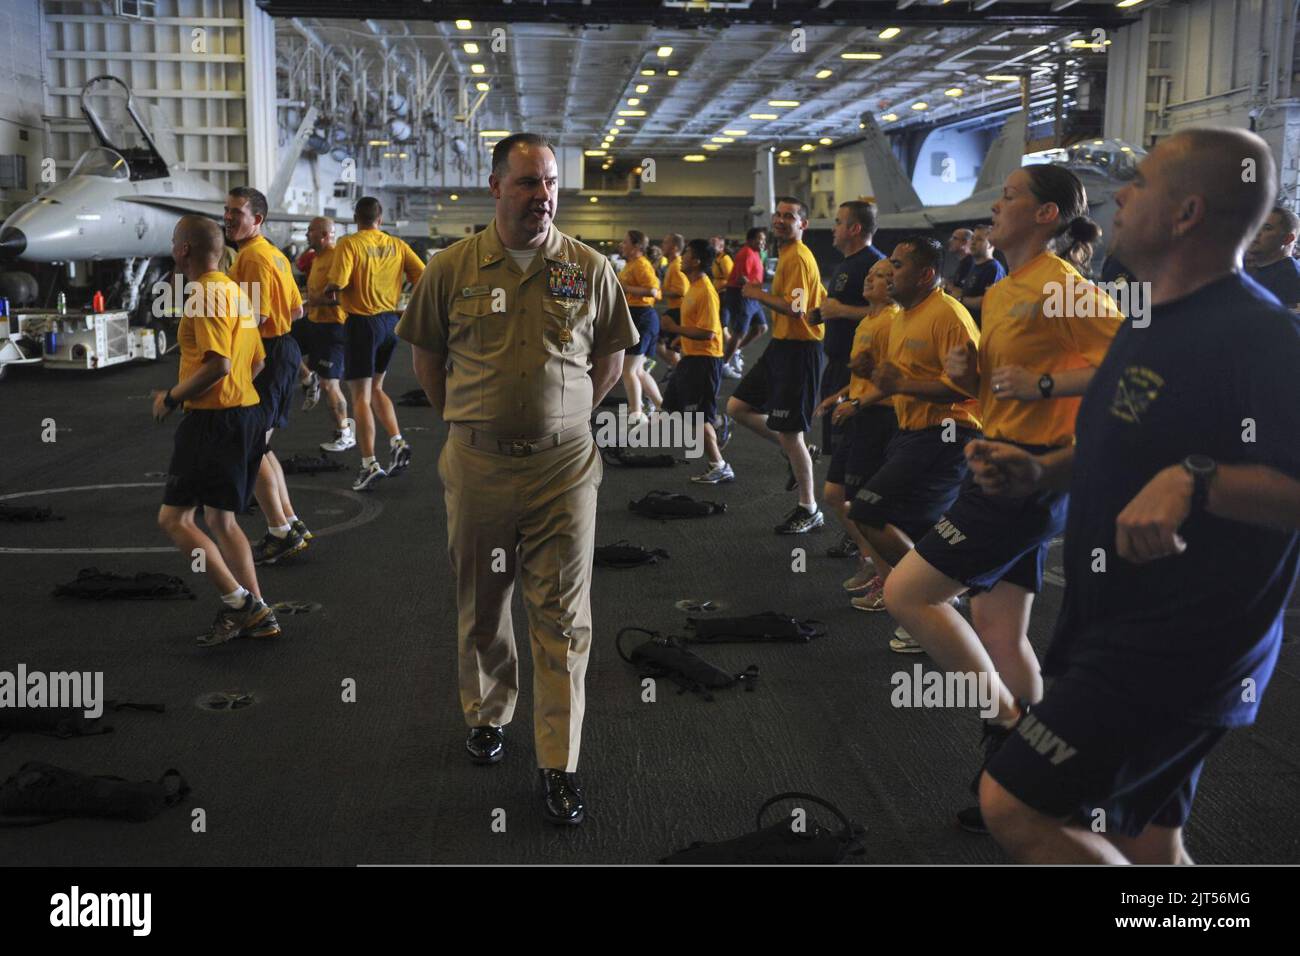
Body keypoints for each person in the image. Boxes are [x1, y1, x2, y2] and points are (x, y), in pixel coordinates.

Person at [974, 127, 1300, 864]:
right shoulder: (1148, 319)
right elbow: (1121, 438)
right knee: (1146, 839)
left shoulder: (1259, 336)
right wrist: (1044, 472)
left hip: (1181, 641)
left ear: (1185, 214)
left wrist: (1196, 478)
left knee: (1013, 805)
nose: (1119, 193)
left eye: (1141, 183)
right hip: (1114, 616)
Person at [396, 133, 637, 826]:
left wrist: (561, 423)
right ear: (496, 186)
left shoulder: (587, 268)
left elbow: (611, 364)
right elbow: (427, 361)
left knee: (564, 621)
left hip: (564, 468)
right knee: (482, 602)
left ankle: (558, 763)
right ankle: (487, 711)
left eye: (551, 183)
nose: (543, 196)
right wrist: (471, 425)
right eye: (529, 183)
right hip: (476, 466)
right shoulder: (451, 267)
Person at [884, 165, 1121, 834]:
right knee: (1001, 633)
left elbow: (1128, 362)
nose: (996, 203)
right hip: (998, 458)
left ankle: (1008, 725)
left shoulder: (1060, 286)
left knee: (907, 595)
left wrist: (1046, 383)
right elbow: (999, 377)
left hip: (1030, 475)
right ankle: (1041, 781)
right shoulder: (1003, 286)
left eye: (1011, 195)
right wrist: (972, 375)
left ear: (1047, 216)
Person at [846, 236, 981, 650]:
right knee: (914, 525)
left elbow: (968, 387)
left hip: (947, 432)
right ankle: (930, 606)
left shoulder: (949, 315)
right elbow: (895, 374)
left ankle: (931, 597)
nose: (889, 275)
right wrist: (869, 371)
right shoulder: (904, 315)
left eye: (898, 267)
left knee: (867, 508)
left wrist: (901, 382)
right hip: (910, 432)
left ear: (925, 274)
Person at [153, 216, 280, 646]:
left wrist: (172, 396)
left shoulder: (205, 293)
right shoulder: (236, 293)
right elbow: (256, 361)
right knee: (222, 521)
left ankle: (242, 604)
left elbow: (219, 363)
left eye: (174, 240)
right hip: (243, 416)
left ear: (184, 249)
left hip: (212, 420)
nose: (173, 246)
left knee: (175, 518)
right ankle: (258, 615)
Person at [729, 196, 827, 534]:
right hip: (781, 347)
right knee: (737, 406)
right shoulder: (785, 254)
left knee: (790, 432)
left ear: (804, 224)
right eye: (779, 215)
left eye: (790, 216)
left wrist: (758, 294)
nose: (781, 221)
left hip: (801, 351)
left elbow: (796, 308)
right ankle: (796, 450)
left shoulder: (798, 256)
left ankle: (809, 507)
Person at [224, 186, 311, 565]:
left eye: (236, 213)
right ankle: (289, 523)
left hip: (267, 353)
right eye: (226, 210)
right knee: (261, 445)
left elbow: (255, 319)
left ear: (257, 219)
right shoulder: (272, 255)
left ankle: (279, 531)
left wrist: (230, 358)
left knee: (250, 445)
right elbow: (296, 311)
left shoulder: (253, 260)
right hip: (282, 349)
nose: (228, 217)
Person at [324, 197, 425, 491]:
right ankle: (397, 441)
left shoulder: (350, 243)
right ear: (380, 219)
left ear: (357, 217)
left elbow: (337, 283)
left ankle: (369, 463)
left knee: (360, 397)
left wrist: (329, 291)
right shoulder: (397, 245)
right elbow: (423, 275)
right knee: (377, 389)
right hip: (389, 323)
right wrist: (410, 304)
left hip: (362, 324)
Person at [813, 257, 899, 593]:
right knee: (835, 493)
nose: (868, 279)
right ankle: (870, 561)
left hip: (878, 417)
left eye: (878, 277)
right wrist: (839, 394)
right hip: (858, 412)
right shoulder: (868, 321)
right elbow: (866, 374)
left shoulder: (890, 322)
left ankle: (887, 578)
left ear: (892, 287)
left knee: (865, 503)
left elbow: (892, 380)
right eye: (869, 274)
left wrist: (856, 403)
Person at [813, 201, 885, 473]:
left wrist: (841, 310)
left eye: (838, 222)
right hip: (836, 364)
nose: (833, 228)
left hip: (858, 368)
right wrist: (823, 314)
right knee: (838, 454)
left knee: (853, 455)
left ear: (854, 229)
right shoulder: (848, 263)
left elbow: (890, 312)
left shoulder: (875, 264)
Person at [659, 238, 729, 482]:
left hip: (705, 360)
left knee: (696, 416)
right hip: (692, 357)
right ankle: (716, 422)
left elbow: (709, 332)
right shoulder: (694, 286)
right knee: (672, 408)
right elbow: (697, 325)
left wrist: (675, 328)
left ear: (696, 261)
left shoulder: (706, 291)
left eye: (687, 252)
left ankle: (719, 464)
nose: (682, 256)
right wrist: (681, 339)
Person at [301, 216, 355, 453]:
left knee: (330, 384)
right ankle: (307, 377)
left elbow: (343, 297)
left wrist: (316, 300)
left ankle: (345, 433)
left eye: (310, 231)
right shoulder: (316, 258)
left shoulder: (336, 257)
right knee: (279, 345)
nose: (306, 235)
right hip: (314, 323)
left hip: (334, 329)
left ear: (323, 234)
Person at [616, 229, 662, 427]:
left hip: (641, 316)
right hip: (639, 316)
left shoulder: (641, 264)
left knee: (628, 370)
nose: (622, 245)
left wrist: (626, 289)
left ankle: (636, 412)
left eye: (625, 242)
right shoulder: (633, 264)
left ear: (636, 247)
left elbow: (653, 290)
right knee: (639, 370)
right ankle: (662, 406)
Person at [720, 227, 768, 379]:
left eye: (764, 240)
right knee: (740, 332)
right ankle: (723, 364)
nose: (763, 242)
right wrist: (758, 291)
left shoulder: (756, 253)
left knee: (761, 328)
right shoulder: (746, 253)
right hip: (741, 295)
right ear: (751, 239)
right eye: (760, 239)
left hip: (751, 296)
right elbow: (742, 278)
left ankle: (736, 351)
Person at [1245, 206, 1300, 308]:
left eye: (1267, 228)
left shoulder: (1290, 279)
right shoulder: (1261, 270)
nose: (1256, 233)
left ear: (1288, 239)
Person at [952, 225, 1006, 327]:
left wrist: (960, 298)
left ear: (990, 245)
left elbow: (988, 301)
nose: (973, 242)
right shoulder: (974, 266)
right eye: (972, 238)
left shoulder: (993, 268)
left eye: (979, 239)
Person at [657, 233, 689, 372]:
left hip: (678, 311)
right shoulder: (673, 264)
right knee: (666, 347)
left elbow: (680, 291)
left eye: (665, 243)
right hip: (676, 310)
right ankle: (676, 369)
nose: (662, 246)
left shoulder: (676, 265)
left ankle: (679, 371)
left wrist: (658, 291)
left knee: (667, 348)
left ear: (675, 247)